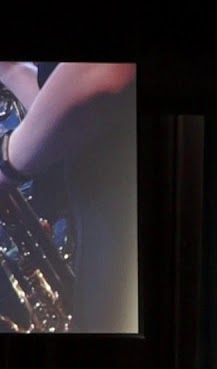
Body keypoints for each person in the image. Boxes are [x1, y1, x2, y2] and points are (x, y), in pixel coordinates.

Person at [0, 62, 137, 333]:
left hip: (121, 224)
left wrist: (6, 161)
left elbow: (103, 71)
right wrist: (10, 71)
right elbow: (72, 115)